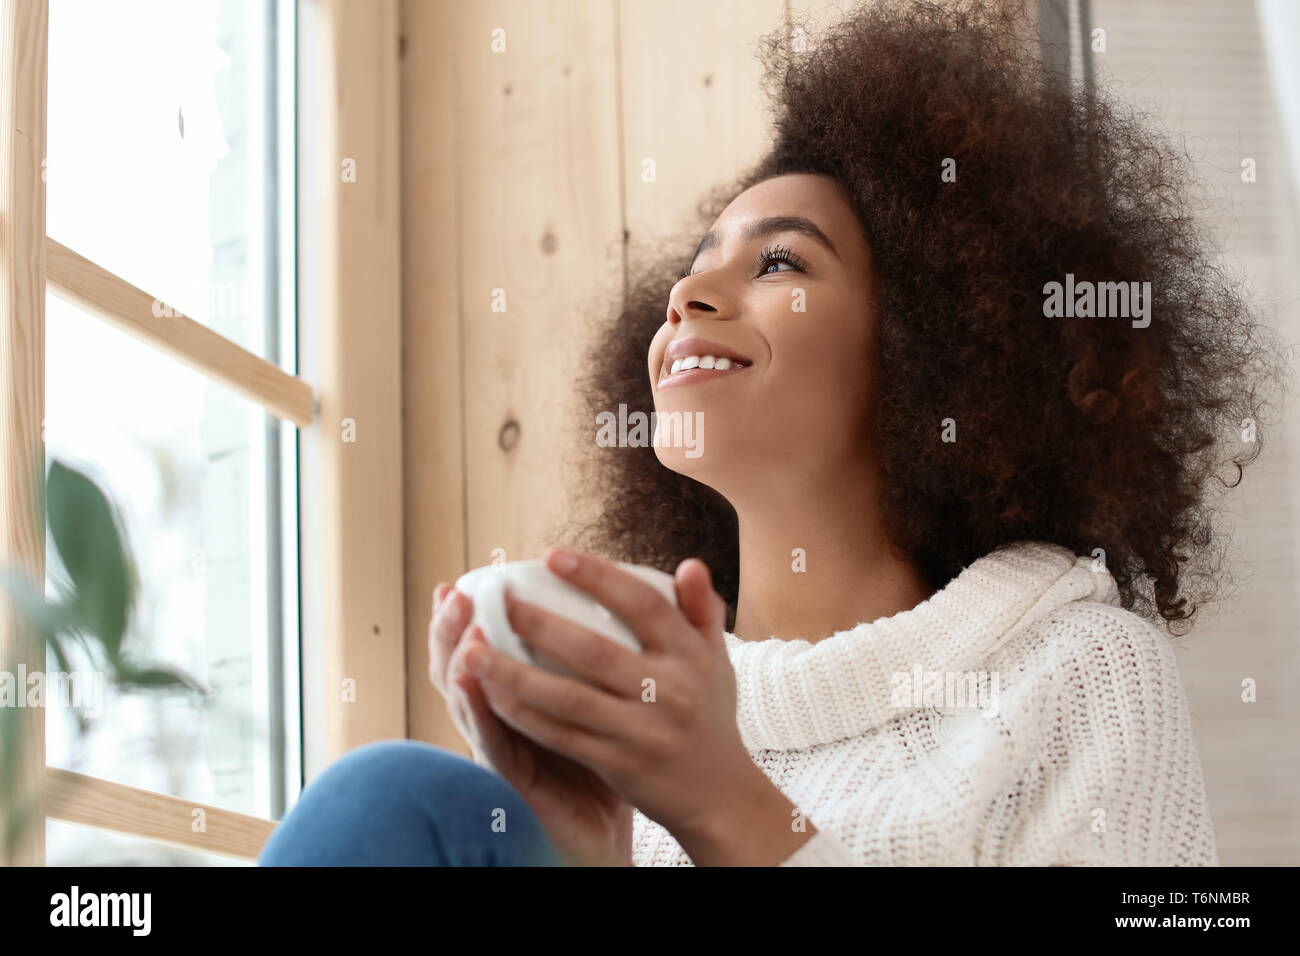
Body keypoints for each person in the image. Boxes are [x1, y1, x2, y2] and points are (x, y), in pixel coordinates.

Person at [259, 0, 1283, 867]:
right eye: (698, 262)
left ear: (934, 343)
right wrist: (588, 848)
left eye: (781, 263)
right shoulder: (648, 705)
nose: (687, 294)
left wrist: (728, 810)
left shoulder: (1077, 670)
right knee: (397, 799)